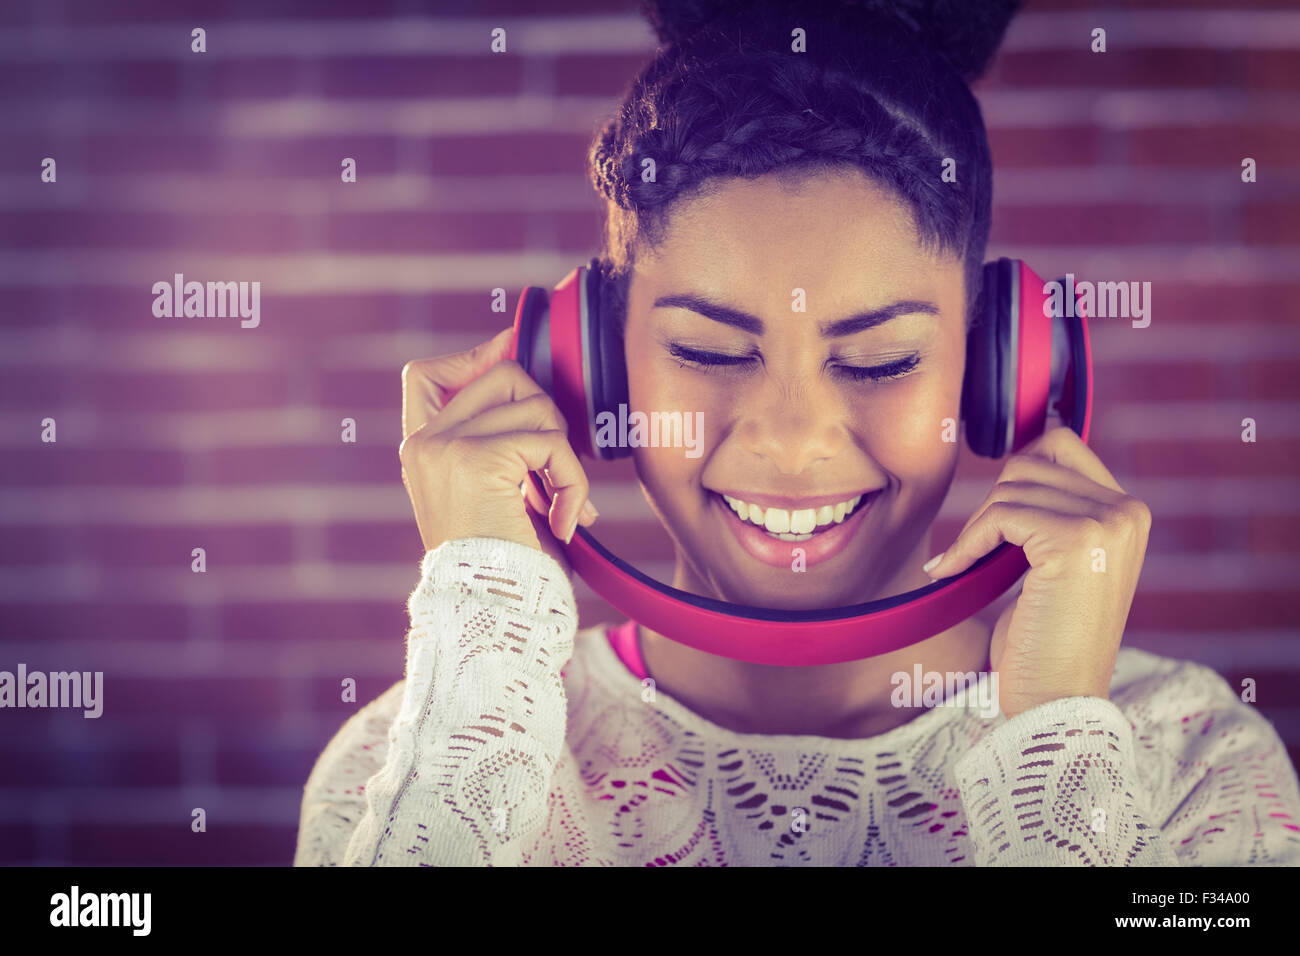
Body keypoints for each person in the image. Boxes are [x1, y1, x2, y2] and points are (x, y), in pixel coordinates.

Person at [294, 0, 1300, 866]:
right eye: (709, 350)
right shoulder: (419, 755)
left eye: (878, 360)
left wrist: (1050, 746)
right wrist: (484, 614)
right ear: (587, 363)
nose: (790, 439)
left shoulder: (1197, 758)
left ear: (1005, 370)